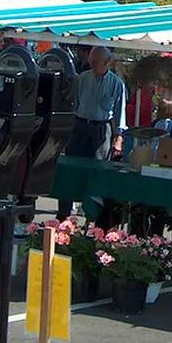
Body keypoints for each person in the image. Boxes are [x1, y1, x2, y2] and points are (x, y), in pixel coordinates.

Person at [57, 46, 126, 220]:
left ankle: (92, 215)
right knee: (71, 168)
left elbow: (120, 113)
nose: (92, 65)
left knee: (97, 171)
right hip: (80, 126)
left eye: (95, 62)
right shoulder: (81, 79)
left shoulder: (116, 83)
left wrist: (119, 138)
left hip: (101, 129)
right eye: (91, 61)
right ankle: (64, 213)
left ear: (106, 62)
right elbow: (72, 105)